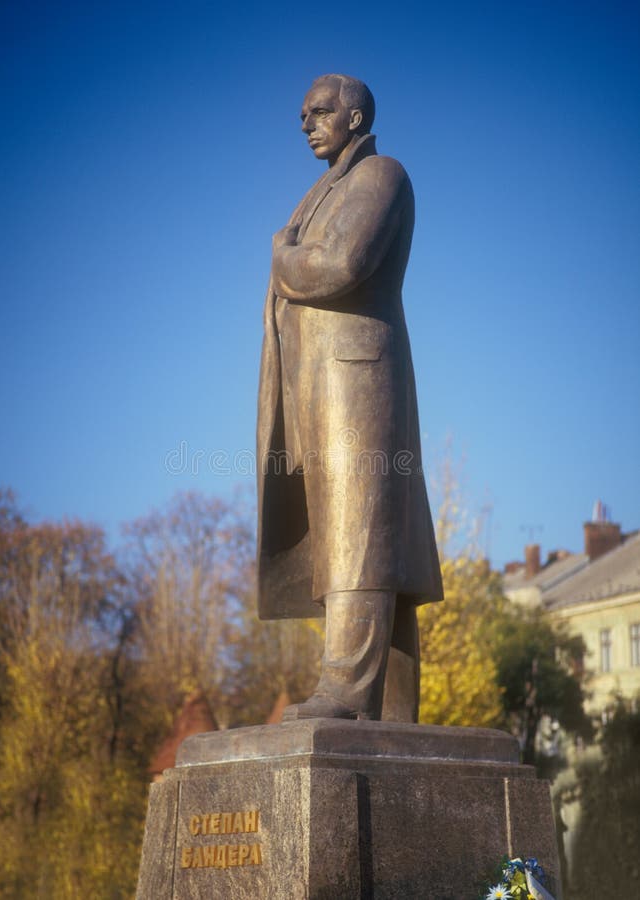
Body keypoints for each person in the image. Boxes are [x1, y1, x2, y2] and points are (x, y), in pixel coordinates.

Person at [256, 74, 442, 722]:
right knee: (363, 535)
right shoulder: (325, 188)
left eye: (321, 112)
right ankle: (391, 712)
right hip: (323, 382)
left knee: (360, 530)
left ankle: (346, 684)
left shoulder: (381, 176)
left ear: (356, 116)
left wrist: (282, 256)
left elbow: (339, 264)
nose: (307, 123)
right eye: (302, 115)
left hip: (359, 376)